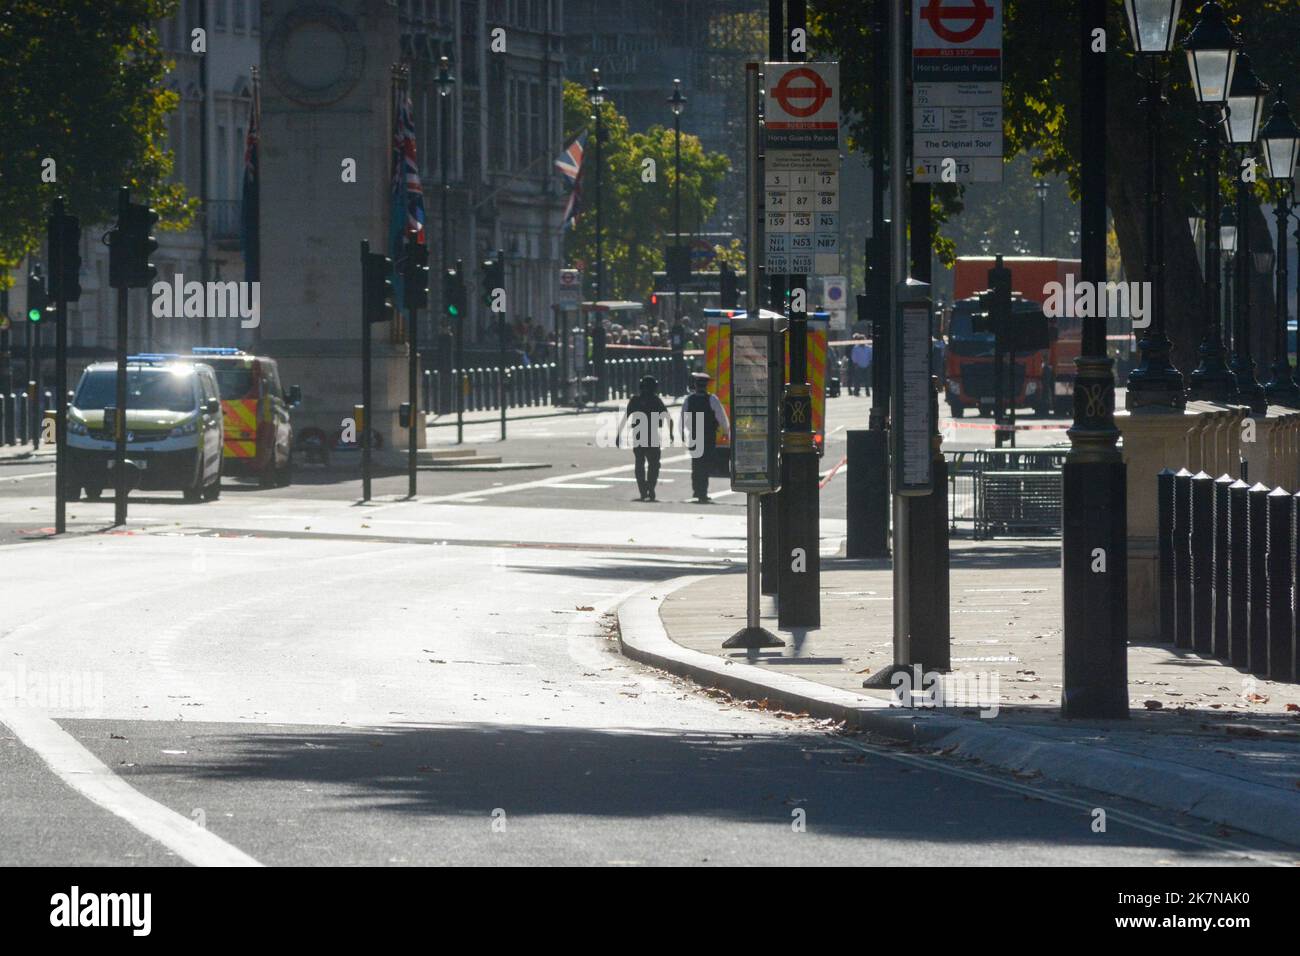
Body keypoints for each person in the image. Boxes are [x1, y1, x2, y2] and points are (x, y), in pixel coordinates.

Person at [616, 375, 673, 501]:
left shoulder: (635, 400)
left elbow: (625, 418)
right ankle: (651, 486)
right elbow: (668, 418)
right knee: (654, 464)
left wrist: (618, 434)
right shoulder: (656, 400)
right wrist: (671, 434)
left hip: (638, 436)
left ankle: (643, 490)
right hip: (652, 436)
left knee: (639, 463)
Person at [680, 371, 729, 503]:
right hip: (708, 436)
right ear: (706, 386)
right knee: (705, 464)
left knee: (696, 464)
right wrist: (726, 432)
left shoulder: (689, 400)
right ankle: (703, 492)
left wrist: (682, 435)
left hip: (695, 436)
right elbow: (721, 417)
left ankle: (697, 490)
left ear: (695, 385)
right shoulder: (712, 399)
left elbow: (683, 419)